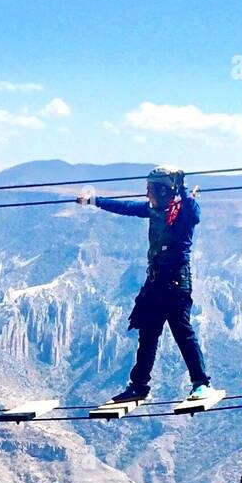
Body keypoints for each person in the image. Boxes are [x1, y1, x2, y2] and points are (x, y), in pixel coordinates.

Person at [77, 167, 213, 404]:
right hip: (156, 283)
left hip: (176, 281)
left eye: (150, 189)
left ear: (162, 191)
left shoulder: (182, 213)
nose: (146, 194)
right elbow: (125, 208)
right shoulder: (155, 211)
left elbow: (195, 213)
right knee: (148, 335)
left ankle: (201, 383)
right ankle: (139, 385)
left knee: (182, 332)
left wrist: (182, 188)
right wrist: (93, 200)